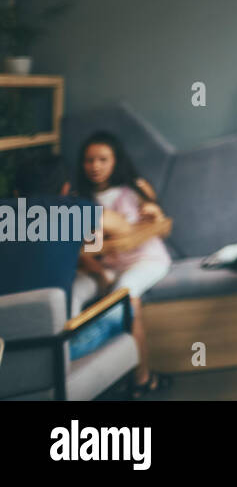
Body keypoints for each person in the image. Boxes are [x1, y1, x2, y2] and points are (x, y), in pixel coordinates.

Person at [73, 130, 172, 397]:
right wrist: (100, 272)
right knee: (115, 300)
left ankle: (139, 378)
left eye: (102, 159)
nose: (95, 166)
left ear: (115, 160)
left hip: (146, 260)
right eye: (89, 160)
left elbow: (162, 230)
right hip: (110, 265)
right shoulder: (79, 199)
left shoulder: (136, 188)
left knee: (126, 296)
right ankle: (135, 378)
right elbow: (87, 250)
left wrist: (155, 214)